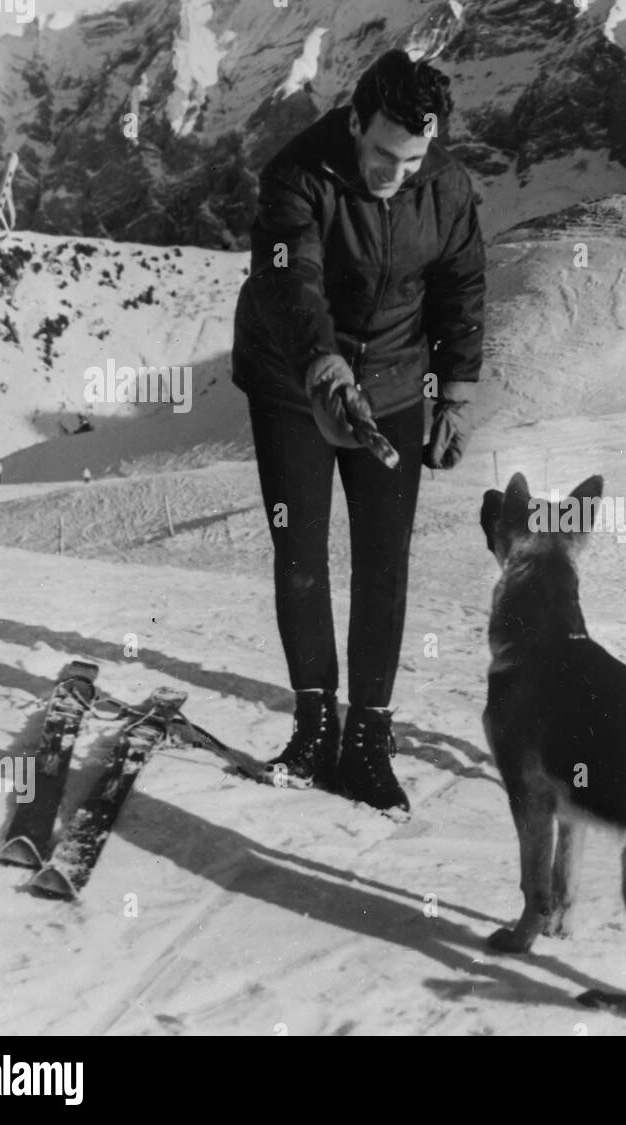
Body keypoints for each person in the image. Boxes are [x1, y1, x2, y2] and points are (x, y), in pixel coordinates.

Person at [231, 49, 485, 813]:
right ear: (353, 123)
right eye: (381, 154)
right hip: (293, 377)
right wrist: (324, 368)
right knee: (301, 548)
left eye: (410, 160)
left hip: (398, 380)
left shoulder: (444, 184)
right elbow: (289, 277)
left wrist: (455, 396)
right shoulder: (297, 173)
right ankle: (314, 729)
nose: (393, 173)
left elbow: (461, 283)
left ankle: (368, 739)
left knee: (385, 561)